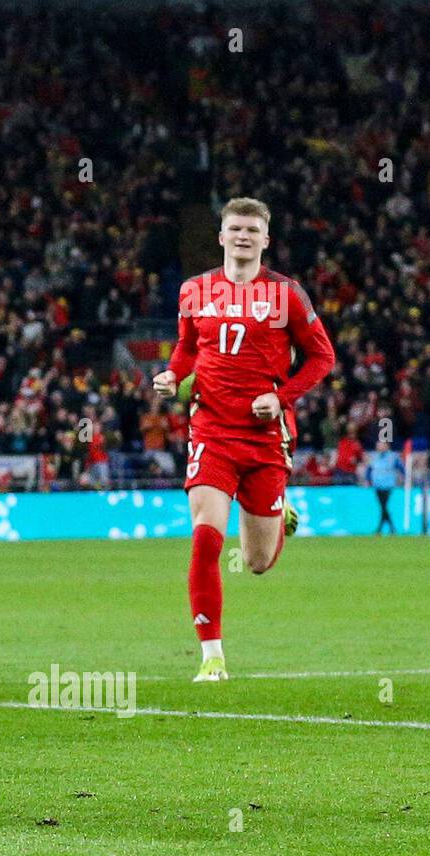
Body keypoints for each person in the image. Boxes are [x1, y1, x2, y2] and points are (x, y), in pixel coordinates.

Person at [153, 197, 334, 682]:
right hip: (210, 429)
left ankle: (281, 516)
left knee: (255, 563)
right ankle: (212, 656)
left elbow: (322, 358)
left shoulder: (288, 295)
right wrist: (172, 376)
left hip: (264, 437)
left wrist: (282, 397)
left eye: (252, 230)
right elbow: (188, 349)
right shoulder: (195, 291)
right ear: (221, 236)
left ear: (265, 240)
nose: (243, 236)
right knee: (206, 537)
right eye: (235, 228)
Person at [366, 440, 404, 534]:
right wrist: (368, 480)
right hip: (377, 485)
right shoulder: (374, 457)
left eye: (382, 445)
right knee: (383, 507)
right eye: (378, 446)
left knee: (384, 506)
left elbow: (401, 468)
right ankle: (390, 529)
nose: (380, 447)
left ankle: (383, 529)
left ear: (387, 446)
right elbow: (369, 470)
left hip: (388, 485)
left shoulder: (392, 457)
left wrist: (404, 478)